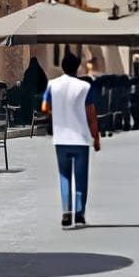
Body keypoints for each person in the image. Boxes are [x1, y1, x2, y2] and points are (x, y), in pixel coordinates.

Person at [41, 51, 100, 229]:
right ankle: (79, 215)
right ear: (78, 67)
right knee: (81, 178)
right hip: (81, 139)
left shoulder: (52, 84)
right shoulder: (84, 87)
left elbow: (44, 107)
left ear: (62, 66)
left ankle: (66, 214)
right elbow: (91, 115)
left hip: (61, 139)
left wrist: (56, 113)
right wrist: (96, 138)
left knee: (64, 177)